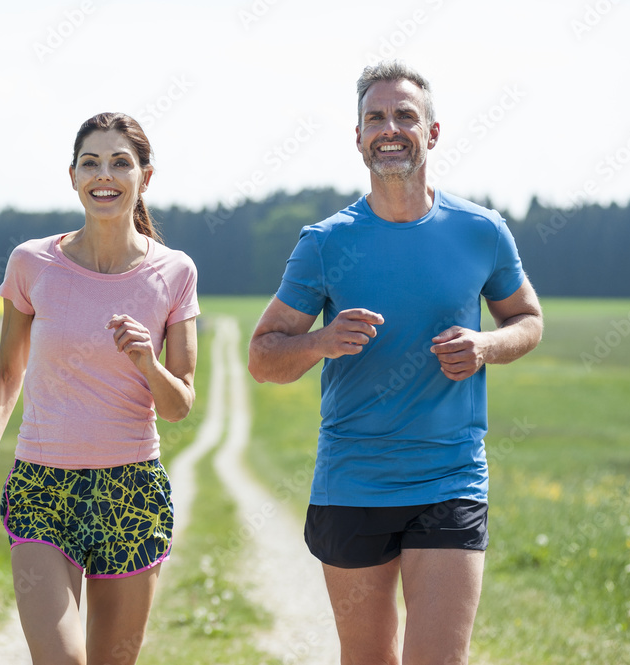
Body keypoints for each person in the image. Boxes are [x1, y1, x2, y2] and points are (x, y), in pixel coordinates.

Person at [247, 61, 543, 665]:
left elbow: (528, 321)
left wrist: (486, 347)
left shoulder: (482, 231)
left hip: (450, 476)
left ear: (431, 133)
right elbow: (263, 356)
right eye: (375, 117)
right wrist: (320, 342)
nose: (390, 128)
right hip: (352, 480)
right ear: (357, 137)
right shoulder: (325, 242)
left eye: (406, 116)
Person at [0, 112, 199, 665]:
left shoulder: (175, 272)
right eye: (90, 162)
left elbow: (180, 404)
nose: (104, 174)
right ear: (72, 176)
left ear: (145, 176)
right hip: (43, 488)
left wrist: (146, 361)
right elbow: (7, 370)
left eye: (120, 162)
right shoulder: (32, 262)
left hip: (131, 494)